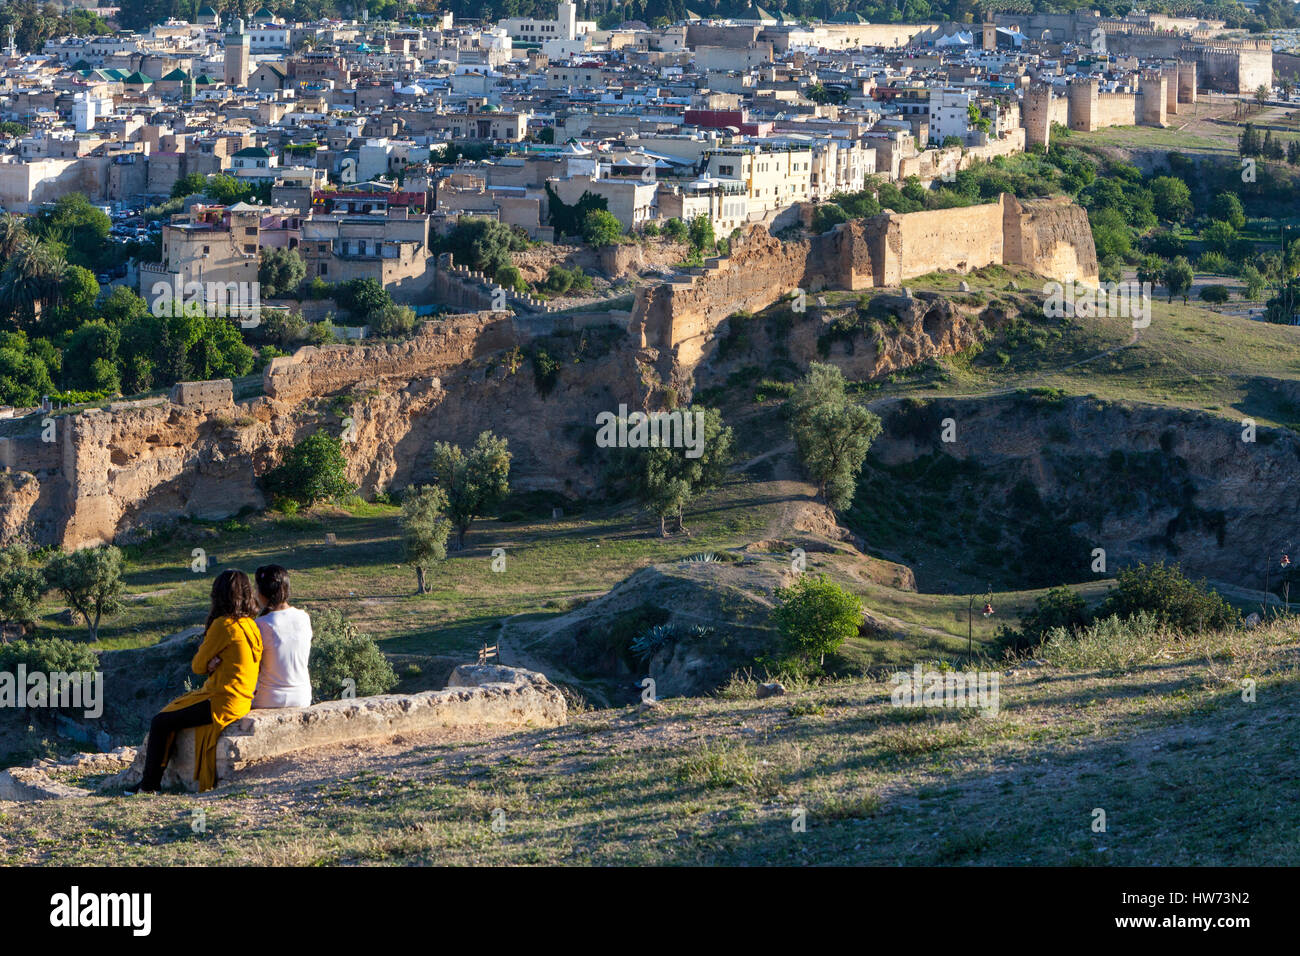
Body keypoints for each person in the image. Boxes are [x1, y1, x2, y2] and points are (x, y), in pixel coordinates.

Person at [131, 570, 263, 794]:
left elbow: (198, 666)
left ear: (218, 595)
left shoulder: (224, 625)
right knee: (171, 715)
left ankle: (149, 785)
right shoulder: (250, 624)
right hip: (241, 699)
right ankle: (151, 783)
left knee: (161, 722)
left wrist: (210, 664)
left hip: (222, 700)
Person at [251, 564, 313, 710]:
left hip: (268, 698)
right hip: (302, 696)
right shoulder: (304, 618)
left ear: (261, 592)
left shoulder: (260, 625)